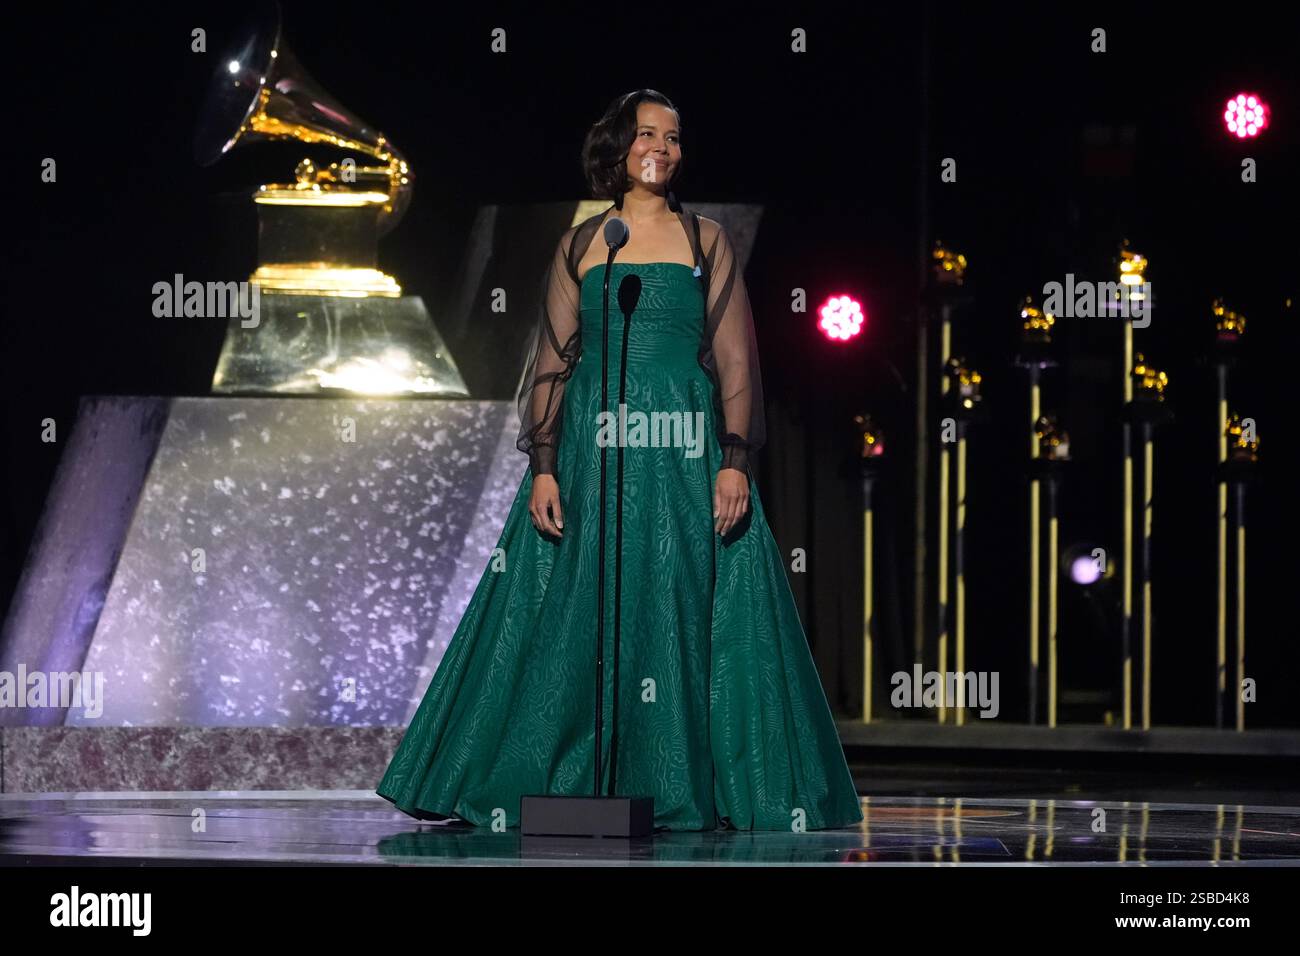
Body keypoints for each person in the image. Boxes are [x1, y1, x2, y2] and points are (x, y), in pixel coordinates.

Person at [377, 89, 862, 831]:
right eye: (647, 134)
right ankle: (556, 776)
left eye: (673, 137)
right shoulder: (583, 245)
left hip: (681, 450)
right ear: (619, 148)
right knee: (573, 604)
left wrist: (734, 458)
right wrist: (543, 462)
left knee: (676, 597)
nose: (662, 148)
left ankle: (680, 781)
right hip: (590, 453)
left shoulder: (705, 242)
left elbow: (735, 360)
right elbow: (552, 362)